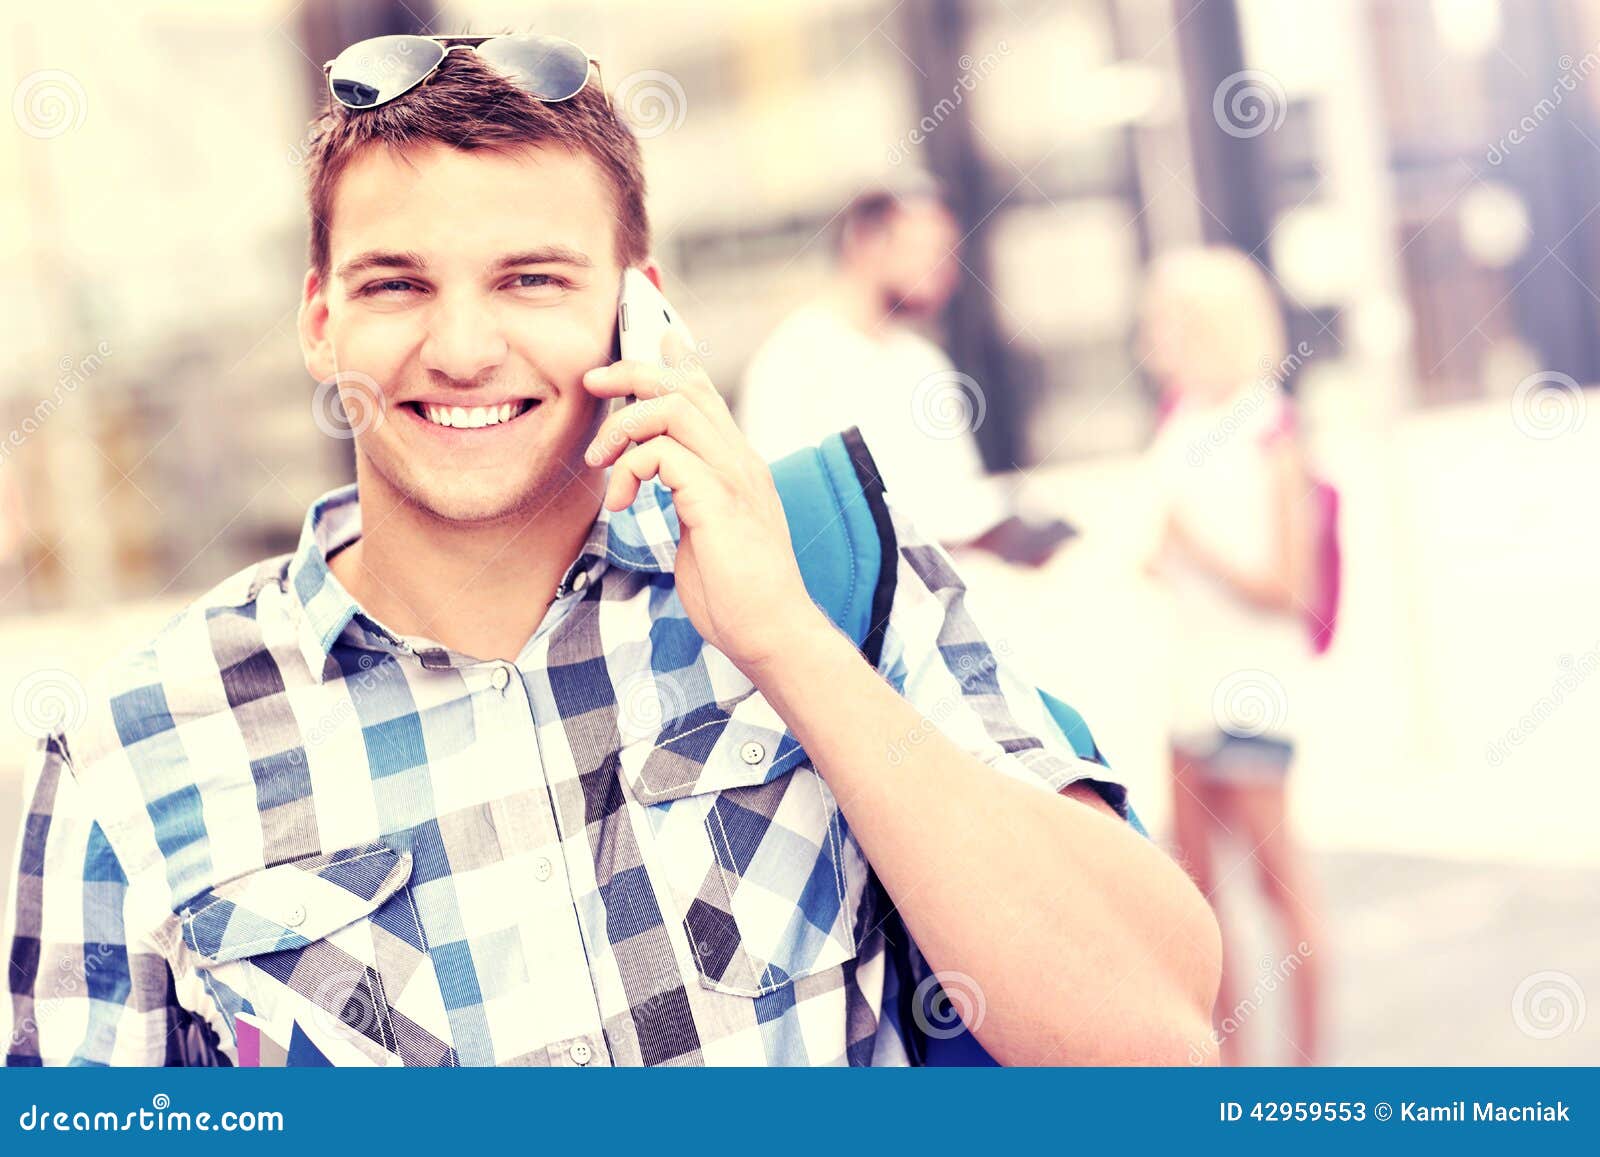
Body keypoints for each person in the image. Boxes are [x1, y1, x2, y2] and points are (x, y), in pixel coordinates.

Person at [1, 34, 1218, 1068]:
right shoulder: (128, 754)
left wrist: (788, 645)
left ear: (640, 308)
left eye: (531, 277)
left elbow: (1153, 1043)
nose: (463, 346)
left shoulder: (832, 582)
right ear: (322, 321)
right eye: (397, 284)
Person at [1139, 246, 1325, 1065]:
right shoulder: (1179, 418)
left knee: (1281, 891)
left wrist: (1190, 545)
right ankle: (1230, 1084)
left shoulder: (1269, 427)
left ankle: (1309, 1082)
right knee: (1196, 905)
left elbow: (1289, 583)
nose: (1157, 332)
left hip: (1253, 691)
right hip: (1187, 690)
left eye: (1173, 317)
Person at [739, 188, 1070, 566]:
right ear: (867, 242)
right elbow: (788, 515)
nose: (944, 274)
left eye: (948, 258)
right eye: (927, 253)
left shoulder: (922, 360)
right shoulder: (792, 362)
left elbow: (959, 495)